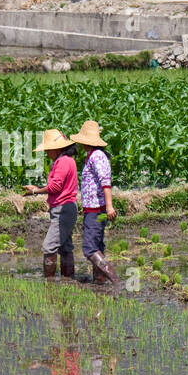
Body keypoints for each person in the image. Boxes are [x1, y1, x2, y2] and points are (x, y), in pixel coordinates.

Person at [24, 129, 79, 280]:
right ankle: (68, 279)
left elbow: (55, 187)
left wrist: (35, 192)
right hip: (67, 208)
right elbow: (56, 184)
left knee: (49, 246)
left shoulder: (62, 162)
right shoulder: (67, 160)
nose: (47, 152)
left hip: (63, 209)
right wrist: (37, 188)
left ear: (57, 148)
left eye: (48, 149)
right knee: (65, 246)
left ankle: (50, 282)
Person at [71, 120, 118, 285]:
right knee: (97, 245)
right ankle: (99, 281)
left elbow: (106, 182)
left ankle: (115, 280)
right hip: (94, 208)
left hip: (96, 209)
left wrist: (109, 206)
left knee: (90, 248)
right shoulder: (94, 155)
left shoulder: (97, 156)